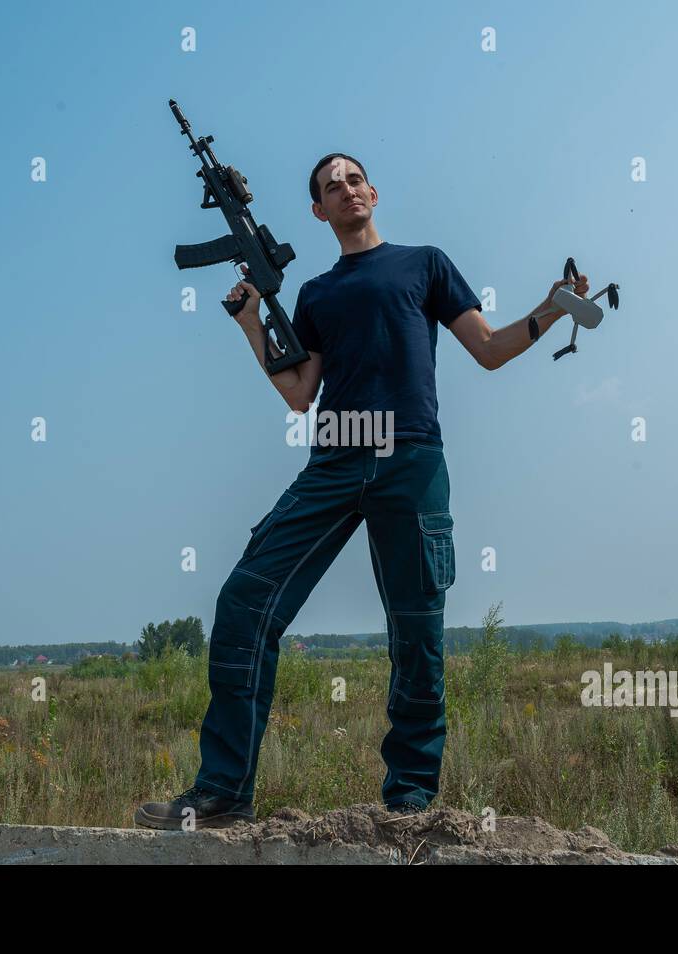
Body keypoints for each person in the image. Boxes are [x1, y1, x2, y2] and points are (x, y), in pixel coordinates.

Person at [135, 153, 590, 829]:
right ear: (318, 211)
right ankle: (223, 791)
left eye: (353, 179)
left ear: (372, 192)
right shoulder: (316, 294)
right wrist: (250, 324)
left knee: (416, 633)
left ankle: (408, 805)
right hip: (336, 458)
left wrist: (552, 309)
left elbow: (489, 349)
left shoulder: (424, 264)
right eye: (330, 187)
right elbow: (298, 395)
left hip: (410, 458)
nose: (345, 189)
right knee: (243, 602)